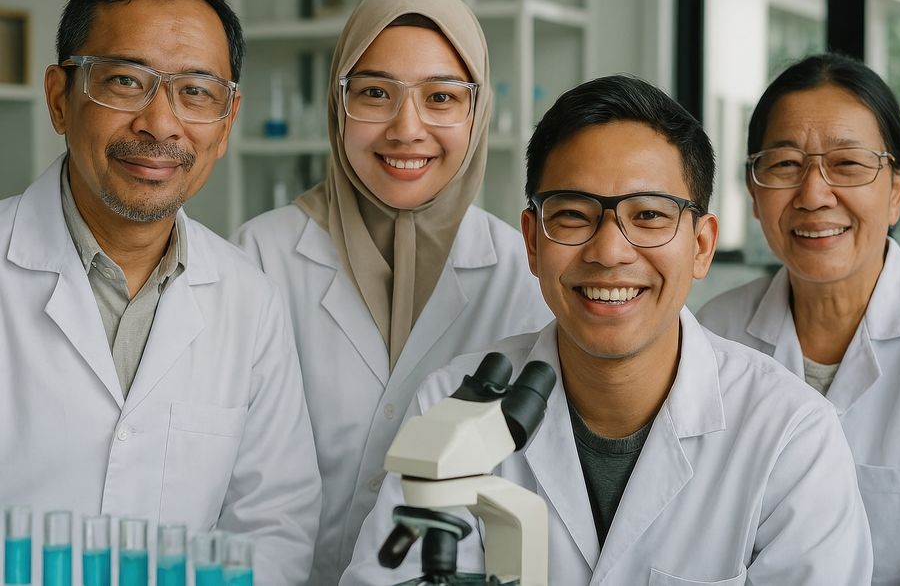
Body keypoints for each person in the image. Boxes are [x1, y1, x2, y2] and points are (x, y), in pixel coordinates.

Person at [341, 75, 873, 584]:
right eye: (573, 215)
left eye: (649, 216)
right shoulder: (455, 407)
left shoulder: (790, 437)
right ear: (531, 241)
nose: (610, 251)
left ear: (702, 245)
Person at [0, 0, 321, 583]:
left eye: (196, 91)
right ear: (59, 98)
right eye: (125, 81)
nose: (160, 123)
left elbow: (273, 524)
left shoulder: (247, 300)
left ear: (226, 124)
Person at [233, 0, 551, 584]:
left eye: (442, 97)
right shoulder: (260, 257)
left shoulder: (522, 273)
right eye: (375, 93)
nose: (407, 128)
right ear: (336, 102)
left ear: (477, 111)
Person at [698, 53, 900, 585]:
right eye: (785, 165)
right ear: (753, 191)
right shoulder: (714, 332)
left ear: (897, 189)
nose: (813, 195)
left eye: (848, 164)